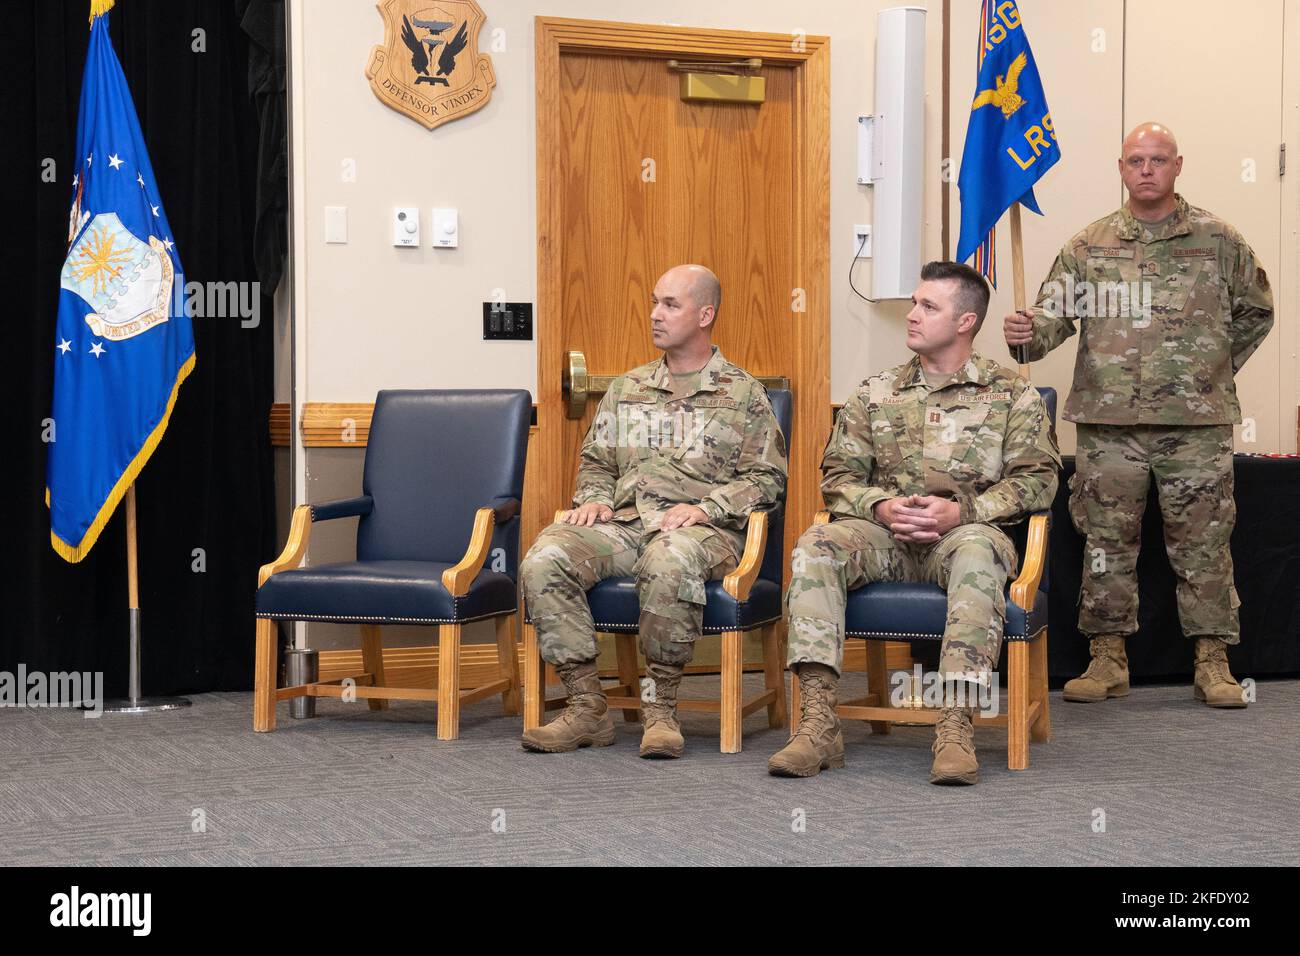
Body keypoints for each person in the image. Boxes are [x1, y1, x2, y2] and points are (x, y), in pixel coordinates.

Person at [1004, 122, 1273, 709]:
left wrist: (1211, 374)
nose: (1146, 169)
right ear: (1120, 169)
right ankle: (1107, 657)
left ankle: (1212, 658)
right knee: (1105, 539)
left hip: (1195, 426)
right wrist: (1024, 335)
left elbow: (1257, 310)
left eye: (1157, 160)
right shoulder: (1087, 247)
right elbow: (1047, 328)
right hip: (1109, 425)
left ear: (1178, 166)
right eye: (1134, 160)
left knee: (1203, 541)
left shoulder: (1218, 240)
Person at [773, 261, 1059, 784]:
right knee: (817, 543)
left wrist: (962, 511)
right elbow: (837, 476)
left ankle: (954, 725)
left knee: (976, 554)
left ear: (966, 321)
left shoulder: (1010, 395)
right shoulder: (875, 392)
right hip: (886, 538)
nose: (912, 315)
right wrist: (881, 507)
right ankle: (817, 723)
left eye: (929, 306)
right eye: (914, 302)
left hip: (967, 536)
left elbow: (1037, 481)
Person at [520, 264, 787, 758]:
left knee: (668, 560)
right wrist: (594, 499)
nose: (655, 315)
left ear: (705, 315)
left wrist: (707, 507)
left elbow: (767, 481)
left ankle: (661, 708)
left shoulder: (743, 393)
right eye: (654, 302)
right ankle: (587, 708)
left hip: (705, 533)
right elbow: (597, 461)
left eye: (671, 305)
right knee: (545, 557)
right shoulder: (627, 388)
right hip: (624, 524)